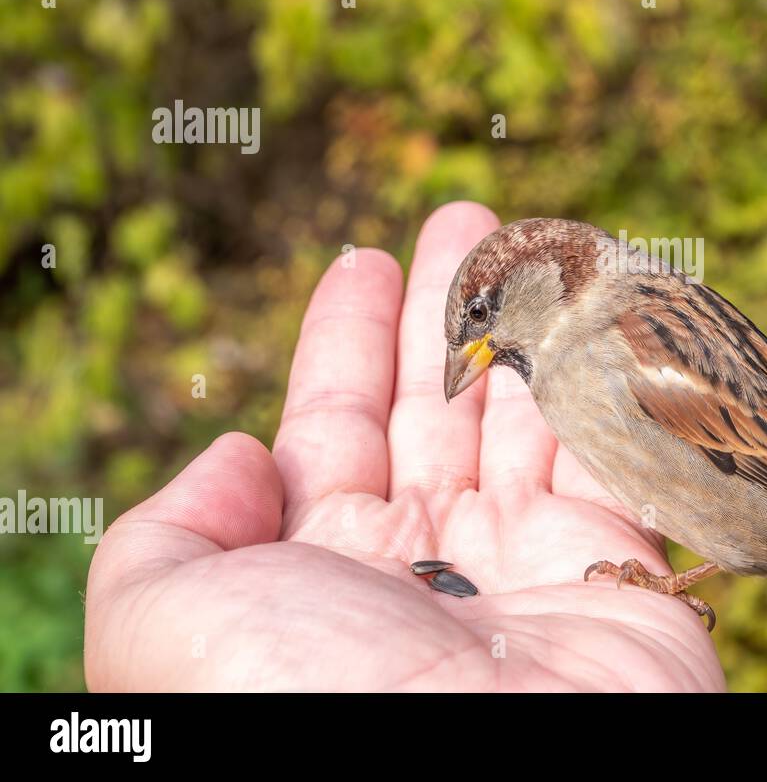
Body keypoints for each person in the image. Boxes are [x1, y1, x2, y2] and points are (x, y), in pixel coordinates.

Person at [83, 202, 724, 691]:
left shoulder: (626, 334)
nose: (467, 357)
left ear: (549, 280)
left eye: (482, 318)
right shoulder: (615, 335)